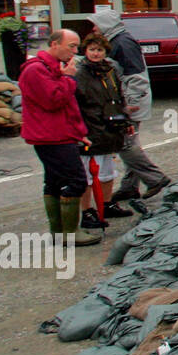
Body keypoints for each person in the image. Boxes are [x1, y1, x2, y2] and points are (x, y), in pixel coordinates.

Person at [18, 29, 100, 246]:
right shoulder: (36, 70)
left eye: (76, 47)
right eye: (71, 46)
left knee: (54, 182)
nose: (75, 51)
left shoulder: (52, 68)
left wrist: (78, 133)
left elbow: (67, 108)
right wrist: (69, 79)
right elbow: (54, 100)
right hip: (49, 137)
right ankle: (70, 233)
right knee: (76, 181)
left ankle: (59, 232)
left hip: (58, 134)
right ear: (54, 44)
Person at [89, 10, 170, 212]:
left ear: (106, 24)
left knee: (125, 143)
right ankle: (129, 187)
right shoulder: (117, 41)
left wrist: (130, 103)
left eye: (96, 24)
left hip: (129, 101)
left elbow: (135, 76)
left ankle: (156, 179)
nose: (93, 28)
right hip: (128, 100)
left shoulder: (122, 43)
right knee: (130, 141)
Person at [73, 32, 135, 227]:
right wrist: (78, 129)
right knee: (87, 174)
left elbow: (119, 97)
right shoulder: (79, 72)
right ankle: (87, 212)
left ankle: (106, 205)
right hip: (90, 128)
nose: (95, 53)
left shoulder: (110, 70)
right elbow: (75, 101)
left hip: (111, 127)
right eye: (92, 50)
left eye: (99, 50)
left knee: (108, 171)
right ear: (86, 51)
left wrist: (126, 120)